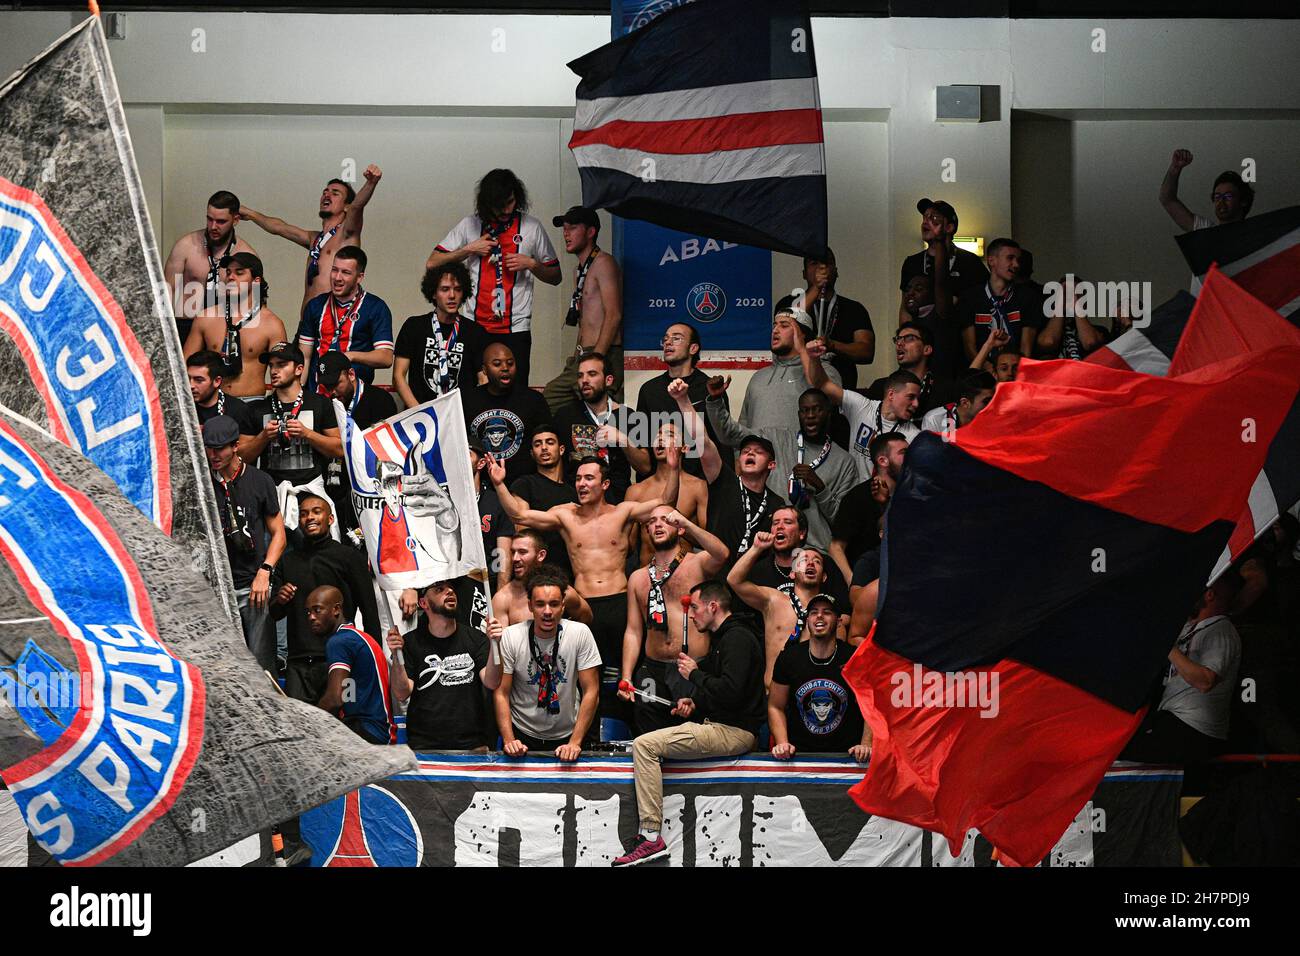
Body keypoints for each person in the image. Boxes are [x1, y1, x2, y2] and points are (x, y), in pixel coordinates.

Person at [489, 447, 681, 723]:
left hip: (619, 601)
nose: (581, 484)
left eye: (589, 478)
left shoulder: (623, 512)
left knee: (628, 675)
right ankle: (585, 740)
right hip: (583, 607)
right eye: (578, 478)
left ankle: (635, 737)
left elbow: (666, 501)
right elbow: (522, 516)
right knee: (582, 677)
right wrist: (499, 483)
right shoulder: (565, 515)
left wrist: (673, 469)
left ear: (604, 484)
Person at [612, 579, 763, 867]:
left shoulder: (737, 639)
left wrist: (694, 675)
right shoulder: (728, 638)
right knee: (649, 742)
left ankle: (650, 836)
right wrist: (695, 703)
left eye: (694, 607)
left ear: (713, 606)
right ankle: (651, 837)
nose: (691, 615)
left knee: (644, 745)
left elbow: (732, 692)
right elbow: (727, 692)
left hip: (734, 731)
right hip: (725, 725)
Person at [426, 169, 561, 386]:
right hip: (474, 323)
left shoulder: (531, 227)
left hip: (516, 326)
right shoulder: (470, 225)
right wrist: (469, 249)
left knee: (515, 389)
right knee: (471, 386)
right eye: (501, 205)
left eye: (511, 201)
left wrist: (531, 264)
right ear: (487, 203)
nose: (507, 209)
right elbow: (432, 262)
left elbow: (556, 276)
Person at [706, 382, 856, 552]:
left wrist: (820, 488)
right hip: (767, 545)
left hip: (813, 551)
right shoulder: (776, 439)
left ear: (829, 414)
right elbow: (729, 434)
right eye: (805, 411)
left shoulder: (845, 462)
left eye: (817, 409)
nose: (810, 415)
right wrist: (716, 400)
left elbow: (843, 522)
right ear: (799, 415)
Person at [620, 507, 730, 735]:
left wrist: (688, 525)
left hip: (693, 666)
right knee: (649, 738)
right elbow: (633, 631)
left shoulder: (697, 563)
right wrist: (627, 676)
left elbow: (722, 554)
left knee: (693, 739)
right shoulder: (637, 578)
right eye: (652, 521)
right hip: (653, 669)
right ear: (646, 530)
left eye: (666, 519)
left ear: (679, 527)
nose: (658, 524)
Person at [270, 492, 380, 704]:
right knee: (300, 727)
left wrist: (371, 660)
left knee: (346, 723)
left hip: (342, 661)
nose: (309, 517)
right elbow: (275, 613)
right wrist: (280, 600)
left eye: (316, 512)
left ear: (330, 519)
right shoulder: (288, 561)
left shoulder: (350, 557)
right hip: (299, 664)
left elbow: (369, 611)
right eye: (303, 514)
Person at [1120, 575, 1243, 763]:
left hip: (1195, 726)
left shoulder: (1221, 630)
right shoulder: (1188, 627)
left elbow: (1206, 681)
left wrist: (1167, 645)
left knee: (1126, 755)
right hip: (1170, 717)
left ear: (1209, 595)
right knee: (1117, 744)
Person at [204, 414, 285, 675]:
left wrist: (265, 571)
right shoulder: (201, 482)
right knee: (221, 668)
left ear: (235, 446)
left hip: (252, 584)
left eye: (220, 448)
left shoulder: (260, 481)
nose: (213, 454)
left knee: (262, 667)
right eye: (208, 448)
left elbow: (279, 535)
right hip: (215, 586)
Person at [240, 166, 382, 314]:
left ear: (346, 206)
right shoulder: (314, 238)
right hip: (307, 323)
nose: (327, 195)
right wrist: (249, 214)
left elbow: (356, 207)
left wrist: (371, 183)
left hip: (331, 323)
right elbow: (279, 227)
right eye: (325, 192)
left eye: (335, 193)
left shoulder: (346, 234)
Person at [496, 566, 602, 759]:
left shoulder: (580, 633)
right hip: (523, 732)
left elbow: (591, 691)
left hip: (568, 733)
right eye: (540, 604)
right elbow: (501, 692)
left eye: (554, 604)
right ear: (529, 606)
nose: (547, 611)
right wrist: (509, 740)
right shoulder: (511, 636)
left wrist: (575, 742)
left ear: (563, 605)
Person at [386, 580, 503, 752]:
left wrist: (496, 645)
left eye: (451, 588)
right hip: (424, 745)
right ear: (423, 603)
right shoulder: (410, 642)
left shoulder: (476, 639)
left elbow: (492, 682)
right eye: (440, 589)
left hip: (472, 745)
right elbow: (401, 693)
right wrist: (396, 654)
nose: (449, 591)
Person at [670, 382, 780, 563]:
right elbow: (702, 442)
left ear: (771, 465)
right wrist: (682, 400)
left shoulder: (777, 503)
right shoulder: (725, 481)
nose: (750, 453)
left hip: (753, 580)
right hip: (715, 573)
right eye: (745, 451)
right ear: (739, 460)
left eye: (758, 452)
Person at [243, 341, 344, 531]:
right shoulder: (256, 409)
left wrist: (307, 434)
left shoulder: (320, 403)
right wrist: (263, 437)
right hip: (271, 494)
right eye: (271, 365)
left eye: (281, 365)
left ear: (299, 369)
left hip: (311, 491)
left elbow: (340, 450)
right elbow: (241, 457)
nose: (273, 370)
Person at [769, 593, 871, 762]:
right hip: (800, 755)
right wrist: (783, 743)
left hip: (847, 755)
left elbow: (870, 704)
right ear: (807, 620)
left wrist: (866, 743)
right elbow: (775, 706)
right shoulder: (789, 658)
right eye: (814, 612)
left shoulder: (854, 658)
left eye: (827, 612)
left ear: (839, 621)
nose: (819, 616)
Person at [728, 532, 837, 687]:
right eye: (803, 561)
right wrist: (756, 548)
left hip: (813, 693)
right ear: (792, 573)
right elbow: (734, 580)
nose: (810, 564)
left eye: (817, 562)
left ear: (824, 577)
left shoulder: (829, 613)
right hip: (773, 692)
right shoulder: (773, 600)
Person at [543, 206, 624, 410]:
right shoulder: (578, 270)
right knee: (557, 402)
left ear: (590, 232)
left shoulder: (604, 263)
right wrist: (578, 355)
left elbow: (614, 315)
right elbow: (584, 321)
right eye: (564, 229)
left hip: (603, 352)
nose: (566, 234)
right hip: (584, 354)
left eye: (573, 228)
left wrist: (597, 358)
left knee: (597, 409)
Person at [898, 199, 988, 376]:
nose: (925, 222)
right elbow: (904, 307)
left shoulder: (970, 262)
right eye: (924, 217)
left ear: (949, 227)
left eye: (934, 218)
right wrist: (906, 339)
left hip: (958, 347)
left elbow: (980, 303)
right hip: (923, 346)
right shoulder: (912, 262)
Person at [803, 344, 921, 480]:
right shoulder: (862, 407)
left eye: (917, 399)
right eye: (911, 397)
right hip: (855, 493)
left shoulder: (913, 436)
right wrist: (813, 358)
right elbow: (822, 384)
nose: (916, 404)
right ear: (891, 394)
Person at [634, 322, 732, 478]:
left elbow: (723, 445)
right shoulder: (649, 390)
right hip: (659, 485)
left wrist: (726, 490)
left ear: (693, 348)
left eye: (676, 338)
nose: (668, 342)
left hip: (701, 484)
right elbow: (642, 446)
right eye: (665, 339)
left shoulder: (710, 390)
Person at [183, 252, 286, 398]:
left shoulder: (271, 324)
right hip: (214, 402)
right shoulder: (205, 318)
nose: (231, 277)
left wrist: (273, 411)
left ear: (256, 281)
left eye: (239, 273)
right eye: (228, 272)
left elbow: (283, 374)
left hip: (252, 404)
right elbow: (185, 365)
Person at [551, 351, 649, 504]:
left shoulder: (628, 416)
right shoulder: (565, 415)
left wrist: (623, 440)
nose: (584, 380)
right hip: (576, 502)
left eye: (592, 374)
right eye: (580, 375)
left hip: (617, 501)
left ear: (608, 380)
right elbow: (555, 463)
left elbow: (645, 467)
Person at [298, 245, 394, 396]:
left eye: (346, 272)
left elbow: (386, 357)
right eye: (334, 270)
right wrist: (299, 393)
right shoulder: (315, 306)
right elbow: (305, 356)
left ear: (359, 277)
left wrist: (350, 356)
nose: (337, 278)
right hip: (317, 395)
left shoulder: (375, 307)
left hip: (356, 398)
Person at [163, 189, 259, 341]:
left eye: (221, 221)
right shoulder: (185, 246)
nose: (213, 226)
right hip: (184, 326)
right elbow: (166, 295)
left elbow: (252, 307)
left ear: (235, 220)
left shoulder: (246, 255)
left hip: (221, 330)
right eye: (209, 219)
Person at [773, 247, 874, 389]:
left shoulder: (854, 309)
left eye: (828, 263)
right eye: (814, 263)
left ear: (836, 271)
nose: (822, 268)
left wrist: (833, 345)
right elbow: (789, 324)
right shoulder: (787, 303)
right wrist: (816, 287)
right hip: (797, 389)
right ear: (804, 274)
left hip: (842, 390)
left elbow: (867, 352)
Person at [393, 262, 489, 407]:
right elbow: (398, 376)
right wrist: (420, 413)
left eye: (457, 289)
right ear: (433, 293)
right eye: (445, 289)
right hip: (419, 416)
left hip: (460, 417)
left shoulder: (475, 332)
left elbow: (483, 380)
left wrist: (470, 413)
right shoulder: (414, 326)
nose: (452, 295)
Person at [310, 585, 395, 745]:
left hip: (366, 731)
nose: (312, 617)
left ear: (336, 609)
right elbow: (350, 693)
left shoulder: (339, 642)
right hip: (380, 732)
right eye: (309, 612)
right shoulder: (360, 637)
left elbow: (335, 699)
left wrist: (308, 724)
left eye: (317, 610)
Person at [734, 309, 840, 435]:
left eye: (784, 325)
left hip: (802, 454)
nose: (775, 330)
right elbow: (744, 425)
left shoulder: (826, 371)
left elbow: (831, 400)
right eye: (774, 325)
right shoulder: (759, 377)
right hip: (761, 453)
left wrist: (802, 350)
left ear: (803, 334)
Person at [460, 343, 552, 484]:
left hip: (524, 485)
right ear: (484, 370)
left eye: (510, 363)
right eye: (497, 364)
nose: (505, 368)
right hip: (482, 484)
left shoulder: (533, 400)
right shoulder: (468, 400)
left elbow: (550, 442)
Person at [625, 421, 708, 565]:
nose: (661, 439)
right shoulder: (635, 492)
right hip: (647, 576)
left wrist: (678, 526)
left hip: (685, 573)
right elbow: (628, 548)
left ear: (685, 447)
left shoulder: (698, 487)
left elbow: (707, 541)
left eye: (669, 435)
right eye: (657, 436)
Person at [507, 424, 577, 578]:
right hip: (538, 574)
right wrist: (556, 514)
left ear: (561, 449)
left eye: (550, 442)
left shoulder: (574, 490)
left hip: (572, 570)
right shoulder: (524, 484)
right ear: (532, 453)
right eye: (538, 444)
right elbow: (522, 531)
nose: (544, 448)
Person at [958, 238, 1042, 366]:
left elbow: (1026, 348)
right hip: (980, 372)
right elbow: (969, 348)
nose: (1016, 265)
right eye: (1010, 258)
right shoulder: (970, 298)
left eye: (1018, 260)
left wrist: (1013, 373)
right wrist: (989, 370)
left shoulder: (1028, 297)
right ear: (991, 260)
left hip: (1015, 371)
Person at [491, 530, 592, 627]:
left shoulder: (562, 591)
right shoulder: (503, 598)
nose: (515, 558)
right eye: (513, 552)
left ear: (541, 555)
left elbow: (586, 617)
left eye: (522, 552)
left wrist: (564, 637)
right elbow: (500, 642)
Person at [862, 321, 952, 416]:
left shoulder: (945, 389)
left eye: (909, 338)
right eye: (898, 339)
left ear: (927, 349)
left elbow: (951, 428)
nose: (899, 344)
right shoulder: (880, 387)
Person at [1159, 149, 1254, 232]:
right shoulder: (1205, 230)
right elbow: (1167, 199)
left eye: (1228, 196)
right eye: (1217, 197)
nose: (1221, 201)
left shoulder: (1256, 235)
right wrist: (1175, 168)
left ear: (1243, 201)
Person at [187, 350, 259, 454]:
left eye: (199, 380)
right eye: (188, 378)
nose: (191, 385)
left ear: (217, 381)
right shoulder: (181, 409)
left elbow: (246, 456)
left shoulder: (238, 410)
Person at [469, 444, 515, 592]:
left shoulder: (496, 502)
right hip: (452, 586)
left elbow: (504, 555)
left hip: (487, 585)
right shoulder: (446, 501)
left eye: (467, 454)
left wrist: (501, 593)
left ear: (481, 463)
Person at [920, 370, 997, 436]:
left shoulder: (995, 420)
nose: (993, 405)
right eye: (987, 401)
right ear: (965, 403)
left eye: (994, 399)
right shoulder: (935, 420)